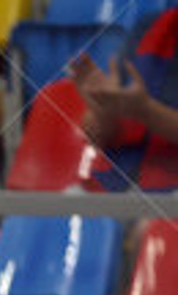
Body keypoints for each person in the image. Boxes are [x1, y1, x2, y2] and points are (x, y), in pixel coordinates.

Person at [74, 8, 178, 193]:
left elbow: (140, 108)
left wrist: (146, 111)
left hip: (167, 198)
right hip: (116, 186)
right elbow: (97, 135)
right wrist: (102, 109)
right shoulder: (149, 27)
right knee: (49, 214)